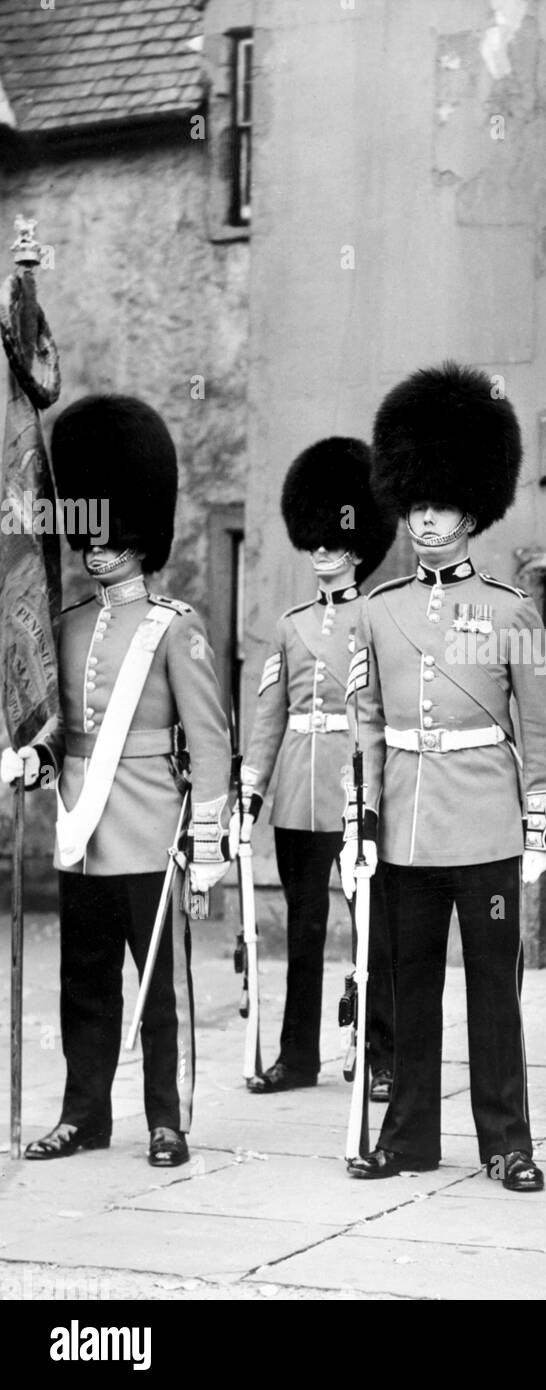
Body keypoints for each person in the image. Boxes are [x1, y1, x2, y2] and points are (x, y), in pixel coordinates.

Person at [342, 362, 546, 1192]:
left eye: (439, 507)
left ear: (470, 512)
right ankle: (409, 1140)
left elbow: (541, 728)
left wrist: (538, 823)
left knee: (494, 1002)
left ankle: (507, 1143)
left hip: (485, 827)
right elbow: (367, 725)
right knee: (407, 994)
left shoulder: (513, 611)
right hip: (402, 824)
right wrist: (362, 818)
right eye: (417, 506)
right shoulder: (377, 606)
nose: (426, 521)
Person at [1, 395, 232, 1168]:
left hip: (150, 829)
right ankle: (83, 1114)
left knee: (161, 994)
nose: (96, 552)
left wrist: (206, 847)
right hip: (81, 831)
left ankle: (167, 1119)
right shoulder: (65, 625)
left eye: (110, 539)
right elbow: (61, 728)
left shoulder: (177, 627)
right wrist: (32, 760)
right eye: (89, 539)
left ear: (138, 537)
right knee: (85, 986)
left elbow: (211, 744)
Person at [240, 437, 397, 1098]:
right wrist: (251, 789)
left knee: (374, 930)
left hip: (354, 786)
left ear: (358, 546)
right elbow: (272, 714)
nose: (324, 551)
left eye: (335, 540)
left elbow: (382, 714)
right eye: (317, 540)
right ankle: (295, 1054)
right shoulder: (289, 624)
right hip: (299, 795)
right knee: (302, 933)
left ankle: (381, 1055)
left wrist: (376, 794)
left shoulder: (382, 617)